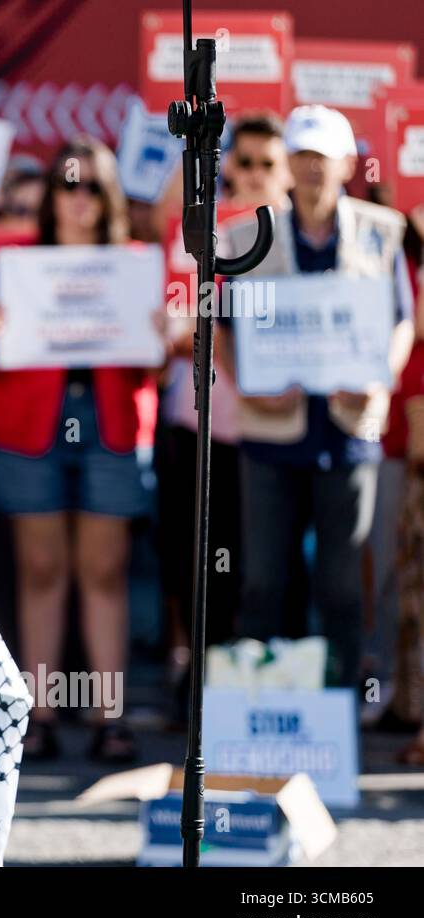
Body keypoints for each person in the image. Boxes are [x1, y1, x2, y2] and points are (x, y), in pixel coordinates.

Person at [0, 137, 160, 763]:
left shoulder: (136, 262)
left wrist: (166, 334)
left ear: (109, 198)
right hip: (31, 423)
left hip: (109, 422)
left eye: (91, 188)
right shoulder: (16, 260)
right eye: (66, 187)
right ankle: (41, 714)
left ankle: (111, 717)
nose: (78, 200)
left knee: (104, 573)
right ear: (51, 196)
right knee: (41, 571)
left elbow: (159, 360)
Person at [217, 105, 415, 689]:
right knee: (264, 580)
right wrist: (251, 384)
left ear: (347, 164)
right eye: (301, 157)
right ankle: (260, 708)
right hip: (271, 433)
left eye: (322, 159)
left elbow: (401, 321)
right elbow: (223, 330)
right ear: (289, 165)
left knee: (340, 584)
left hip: (349, 431)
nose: (311, 170)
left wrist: (380, 375)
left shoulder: (382, 232)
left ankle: (339, 710)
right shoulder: (249, 233)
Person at [156, 112, 292, 715]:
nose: (256, 174)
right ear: (227, 166)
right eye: (246, 162)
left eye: (269, 163)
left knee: (260, 567)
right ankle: (199, 691)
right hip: (201, 422)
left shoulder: (302, 237)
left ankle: (255, 690)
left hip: (274, 429)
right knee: (196, 561)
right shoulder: (200, 229)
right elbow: (177, 316)